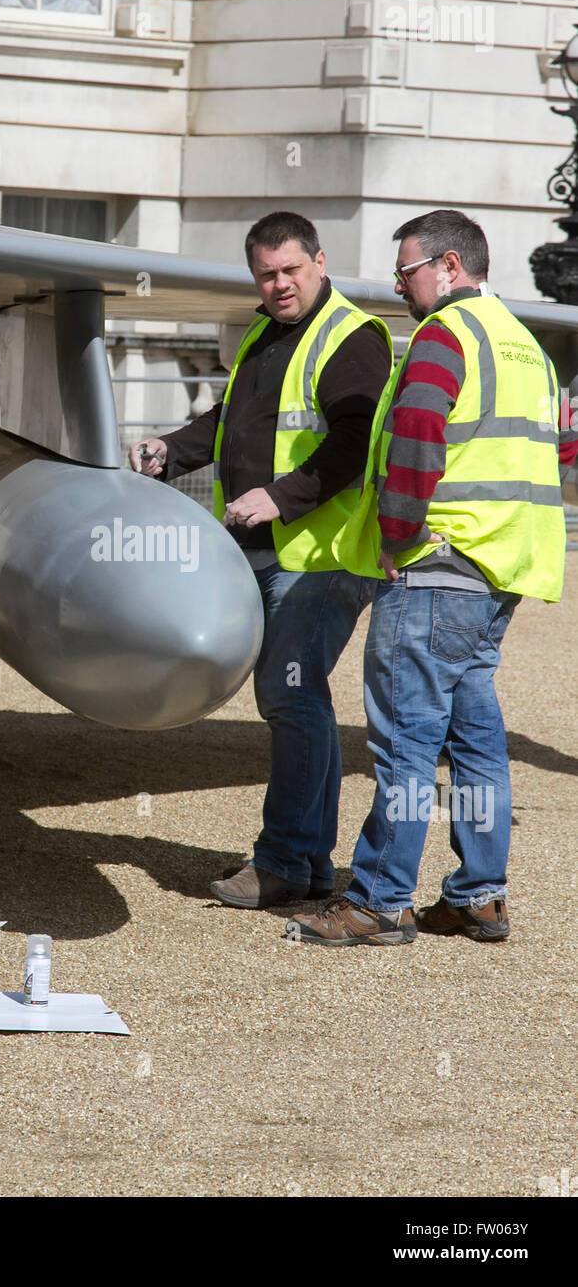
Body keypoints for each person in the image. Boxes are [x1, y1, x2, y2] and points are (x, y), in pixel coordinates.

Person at [288, 209, 576, 947]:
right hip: (500, 571)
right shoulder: (525, 345)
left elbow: (417, 433)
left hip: (437, 569)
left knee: (406, 745)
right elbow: (558, 450)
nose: (400, 284)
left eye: (408, 269)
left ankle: (379, 901)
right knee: (476, 744)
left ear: (450, 266)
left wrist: (399, 534)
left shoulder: (445, 337)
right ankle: (479, 895)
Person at [129, 212, 392, 907]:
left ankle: (280, 861)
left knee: (287, 694)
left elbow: (356, 440)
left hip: (321, 555)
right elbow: (231, 422)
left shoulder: (352, 337)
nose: (279, 284)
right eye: (266, 274)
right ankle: (305, 864)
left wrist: (282, 497)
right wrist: (171, 450)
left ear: (320, 262)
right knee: (298, 701)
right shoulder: (266, 333)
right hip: (276, 551)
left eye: (290, 271)